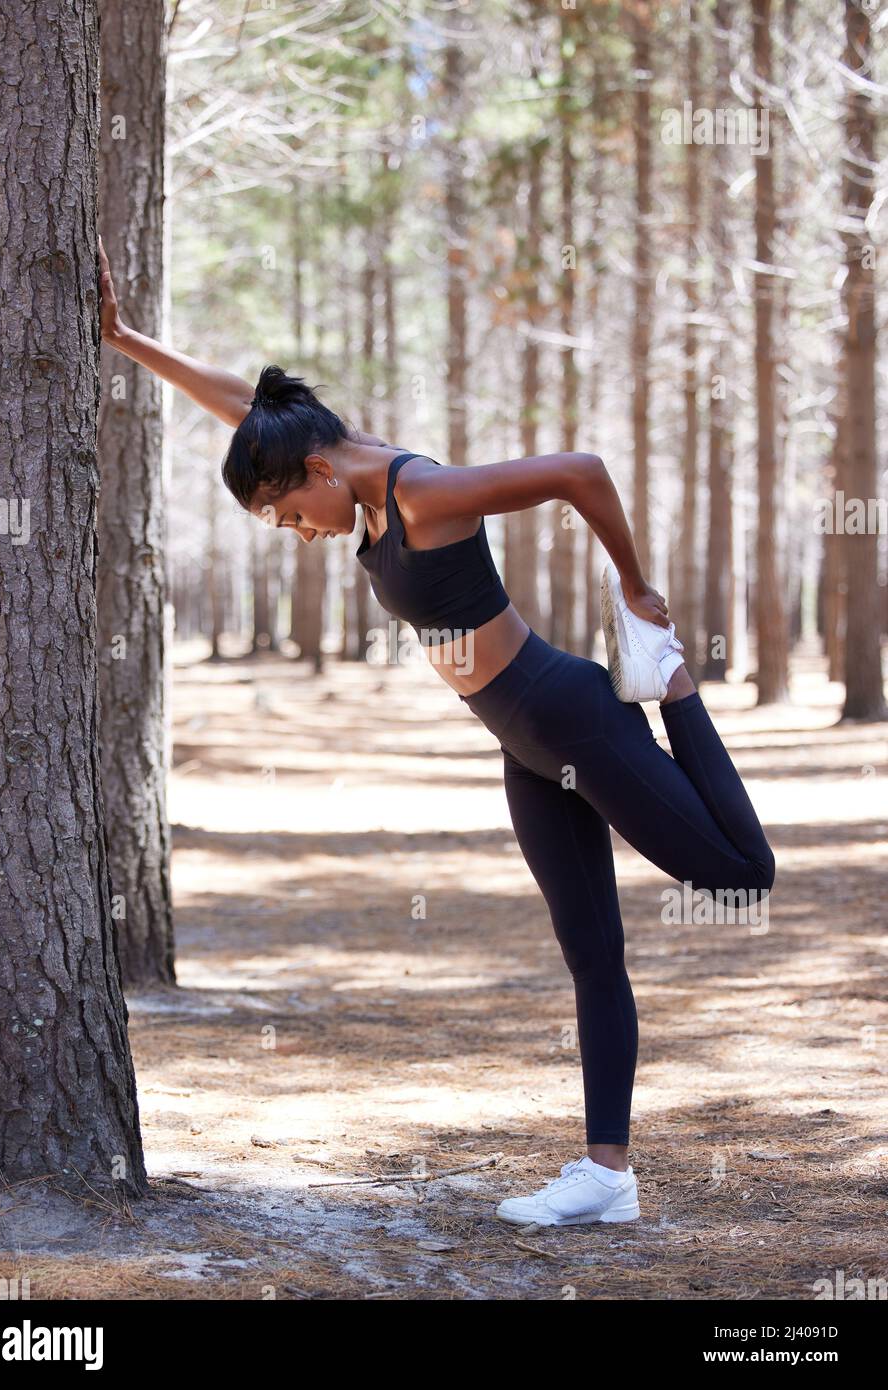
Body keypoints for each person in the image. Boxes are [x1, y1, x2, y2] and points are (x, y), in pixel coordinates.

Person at [99, 240, 775, 1227]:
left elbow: (579, 471)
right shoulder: (343, 469)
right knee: (592, 950)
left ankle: (674, 689)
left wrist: (634, 586)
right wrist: (126, 342)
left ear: (319, 472)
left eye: (291, 514)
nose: (299, 532)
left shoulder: (418, 492)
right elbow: (246, 411)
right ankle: (607, 1175)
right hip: (524, 742)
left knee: (738, 881)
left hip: (567, 710)